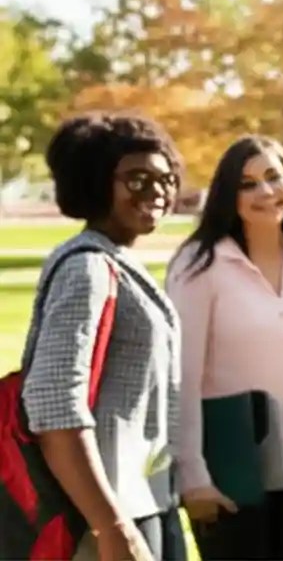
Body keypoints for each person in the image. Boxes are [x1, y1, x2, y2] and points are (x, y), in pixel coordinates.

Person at [20, 112, 186, 561]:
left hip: (148, 502)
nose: (157, 191)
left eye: (166, 178)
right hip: (105, 517)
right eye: (137, 179)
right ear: (96, 182)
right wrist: (111, 526)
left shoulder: (118, 262)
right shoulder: (87, 268)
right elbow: (55, 408)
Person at [165, 136, 283, 559]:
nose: (265, 192)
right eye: (247, 184)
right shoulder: (198, 265)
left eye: (273, 177)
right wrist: (192, 473)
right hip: (231, 436)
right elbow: (179, 376)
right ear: (228, 195)